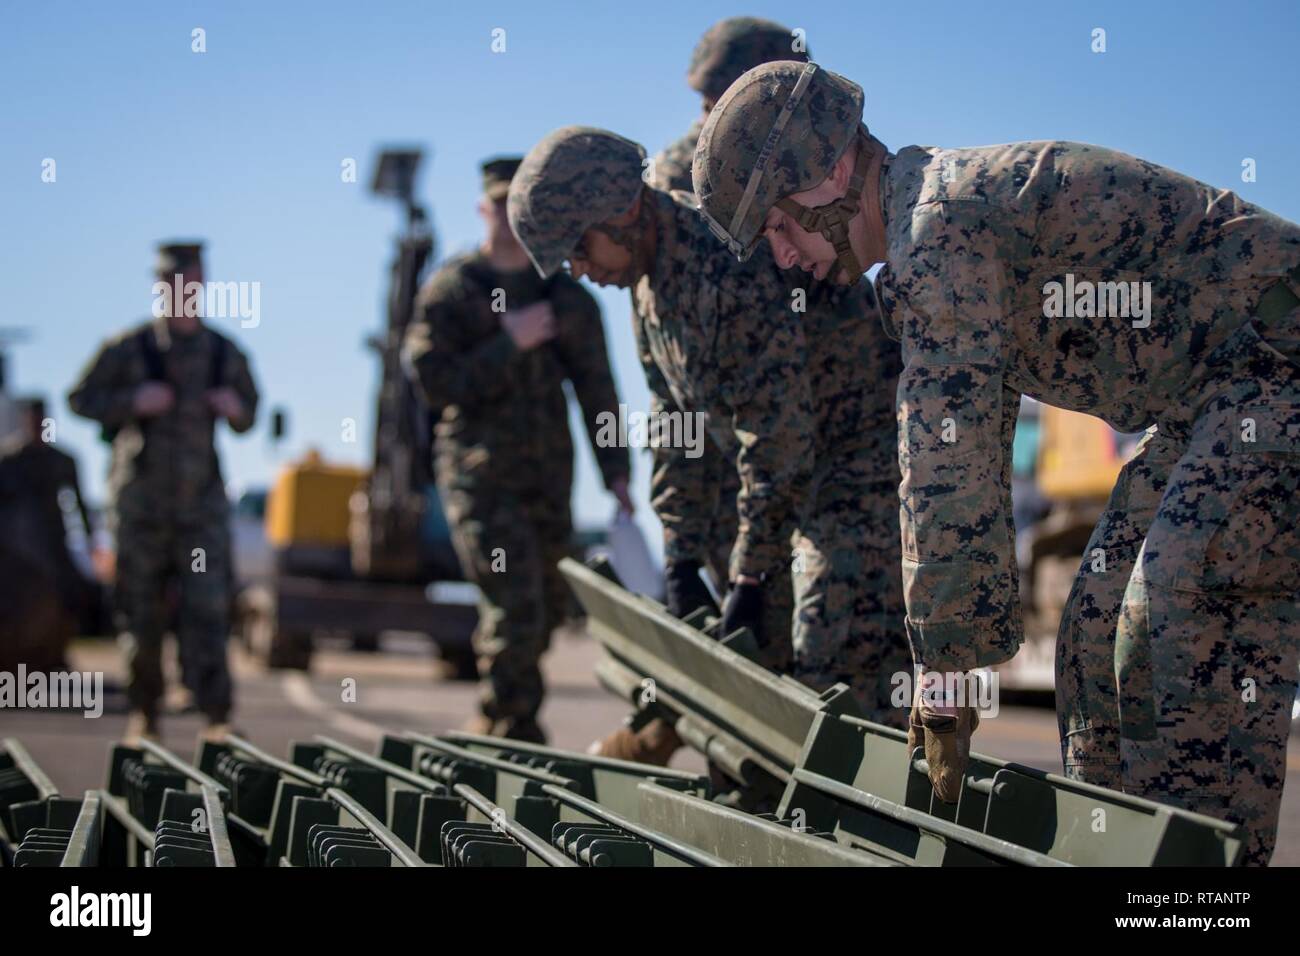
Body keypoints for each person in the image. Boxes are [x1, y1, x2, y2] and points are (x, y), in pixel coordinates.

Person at [693, 60, 1300, 864]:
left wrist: (941, 680)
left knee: (1173, 619)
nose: (782, 255)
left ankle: (1197, 900)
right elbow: (960, 451)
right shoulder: (933, 239)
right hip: (1213, 402)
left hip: (1276, 374)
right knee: (1092, 633)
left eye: (777, 225)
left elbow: (948, 463)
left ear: (833, 171)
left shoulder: (942, 228)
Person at [509, 126, 911, 743]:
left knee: (834, 637)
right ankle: (751, 784)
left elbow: (777, 438)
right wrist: (681, 551)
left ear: (620, 210)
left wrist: (750, 578)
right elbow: (676, 423)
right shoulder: (647, 287)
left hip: (862, 454)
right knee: (753, 642)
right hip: (790, 465)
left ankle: (870, 808)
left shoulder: (724, 261)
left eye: (580, 249)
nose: (580, 270)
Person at [403, 158, 633, 744]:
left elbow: (598, 390)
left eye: (518, 207)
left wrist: (619, 475)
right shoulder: (454, 290)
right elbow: (433, 384)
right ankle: (514, 725)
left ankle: (500, 712)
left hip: (549, 476)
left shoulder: (564, 297)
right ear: (482, 209)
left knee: (549, 603)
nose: (508, 219)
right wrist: (507, 344)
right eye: (497, 206)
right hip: (478, 473)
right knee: (514, 600)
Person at [68, 241, 260, 742]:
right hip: (141, 507)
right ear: (159, 288)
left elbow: (251, 412)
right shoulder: (131, 348)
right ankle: (145, 713)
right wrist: (132, 400)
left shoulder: (222, 352)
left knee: (209, 609)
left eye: (190, 283)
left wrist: (235, 408)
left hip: (201, 509)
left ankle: (217, 716)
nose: (181, 293)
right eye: (171, 284)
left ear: (202, 286)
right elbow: (80, 398)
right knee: (140, 612)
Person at [0, 397, 94, 670]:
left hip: (54, 542)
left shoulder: (62, 461)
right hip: (18, 548)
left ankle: (54, 654)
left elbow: (80, 503)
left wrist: (91, 541)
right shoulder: (9, 461)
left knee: (69, 596)